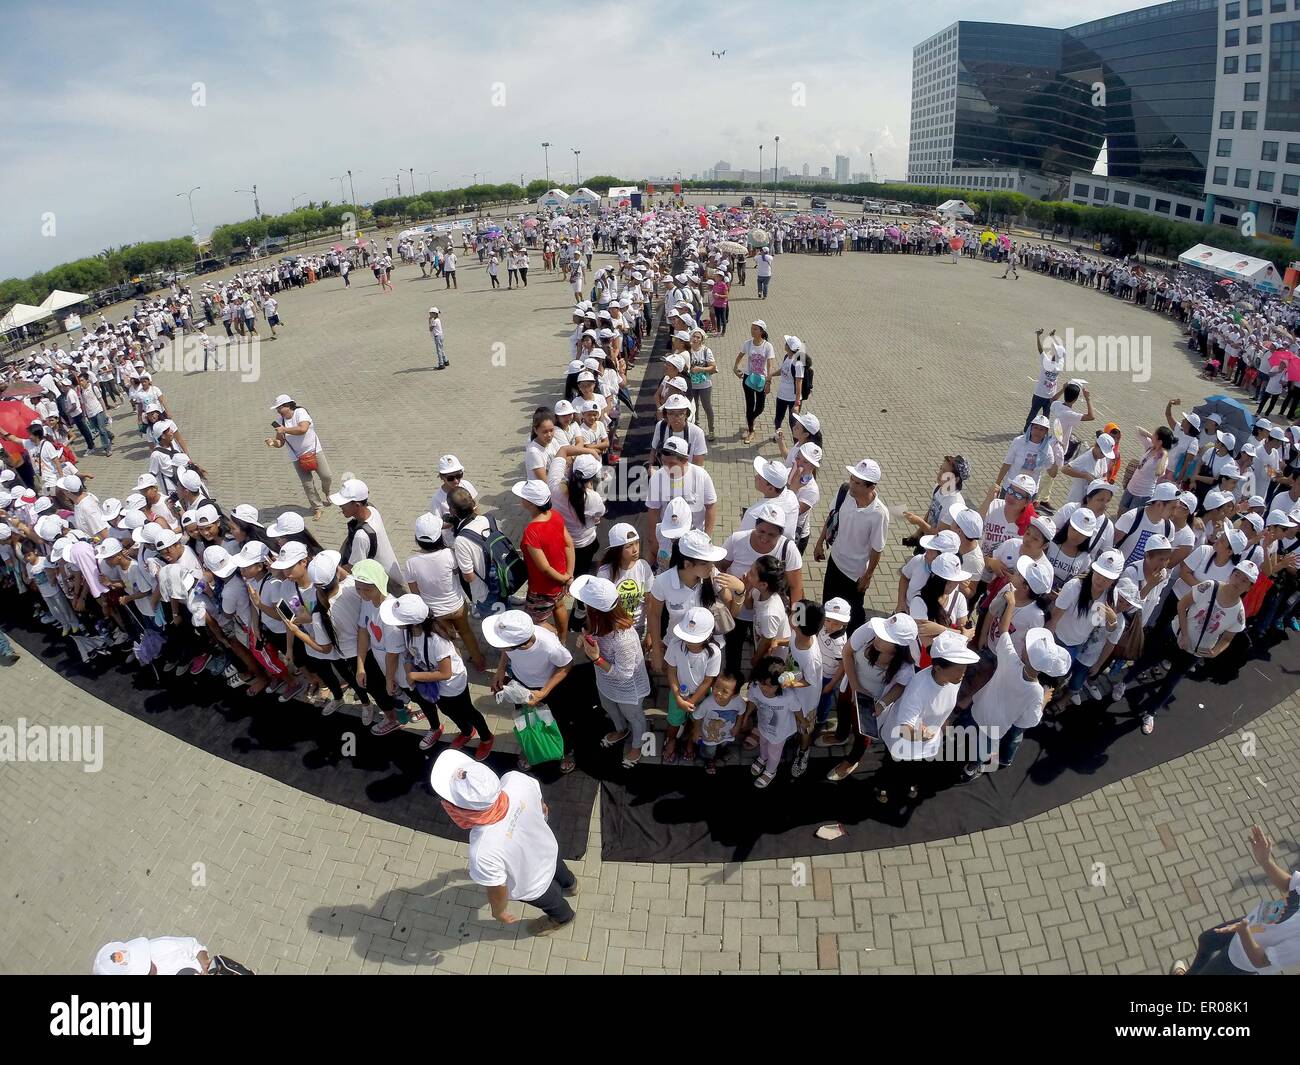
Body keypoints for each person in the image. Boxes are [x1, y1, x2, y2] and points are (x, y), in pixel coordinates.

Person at [429, 748, 578, 938]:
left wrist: (498, 911)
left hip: (531, 882)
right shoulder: (514, 779)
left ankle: (563, 917)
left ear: (463, 810)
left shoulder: (482, 850)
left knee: (549, 900)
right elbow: (542, 806)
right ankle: (571, 885)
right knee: (559, 868)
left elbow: (497, 889)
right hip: (546, 847)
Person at [1171, 824, 1300, 974]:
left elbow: (1261, 961)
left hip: (1240, 963)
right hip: (1249, 924)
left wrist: (1244, 932)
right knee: (1206, 941)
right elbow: (1290, 885)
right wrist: (1265, 860)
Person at [571, 574, 651, 769]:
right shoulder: (597, 622)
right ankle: (621, 730)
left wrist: (597, 659)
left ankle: (637, 745)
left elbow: (624, 675)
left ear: (597, 611)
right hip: (606, 682)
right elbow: (594, 635)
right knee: (609, 707)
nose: (583, 608)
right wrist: (585, 639)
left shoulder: (623, 638)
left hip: (628, 689)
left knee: (635, 717)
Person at [483, 608, 574, 772]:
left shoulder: (550, 646)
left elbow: (566, 665)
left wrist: (544, 692)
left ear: (518, 644)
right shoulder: (513, 644)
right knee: (524, 721)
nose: (501, 647)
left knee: (558, 722)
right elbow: (506, 650)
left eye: (503, 643)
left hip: (548, 689)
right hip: (521, 684)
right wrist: (500, 670)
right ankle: (530, 748)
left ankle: (564, 752)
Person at [815, 458, 889, 631]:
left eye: (858, 483)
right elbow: (832, 516)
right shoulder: (845, 493)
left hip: (855, 574)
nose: (852, 486)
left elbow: (877, 548)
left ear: (871, 487)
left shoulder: (880, 514)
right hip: (835, 563)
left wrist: (867, 576)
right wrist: (819, 543)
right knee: (828, 604)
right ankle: (827, 635)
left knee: (851, 616)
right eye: (852, 480)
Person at [266, 394, 332, 520]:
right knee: (307, 484)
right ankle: (318, 507)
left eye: (279, 408)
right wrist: (273, 443)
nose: (278, 411)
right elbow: (280, 442)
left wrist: (284, 430)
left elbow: (303, 429)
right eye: (277, 409)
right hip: (297, 457)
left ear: (287, 406)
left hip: (314, 450)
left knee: (326, 476)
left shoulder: (300, 412)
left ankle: (327, 491)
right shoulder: (280, 422)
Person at [733, 320, 775, 445]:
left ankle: (751, 418)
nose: (752, 331)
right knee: (750, 405)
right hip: (748, 378)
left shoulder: (768, 346)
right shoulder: (748, 343)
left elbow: (770, 365)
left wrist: (768, 382)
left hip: (761, 380)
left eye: (755, 329)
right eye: (752, 328)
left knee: (760, 407)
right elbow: (740, 356)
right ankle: (751, 430)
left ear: (762, 331)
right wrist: (735, 368)